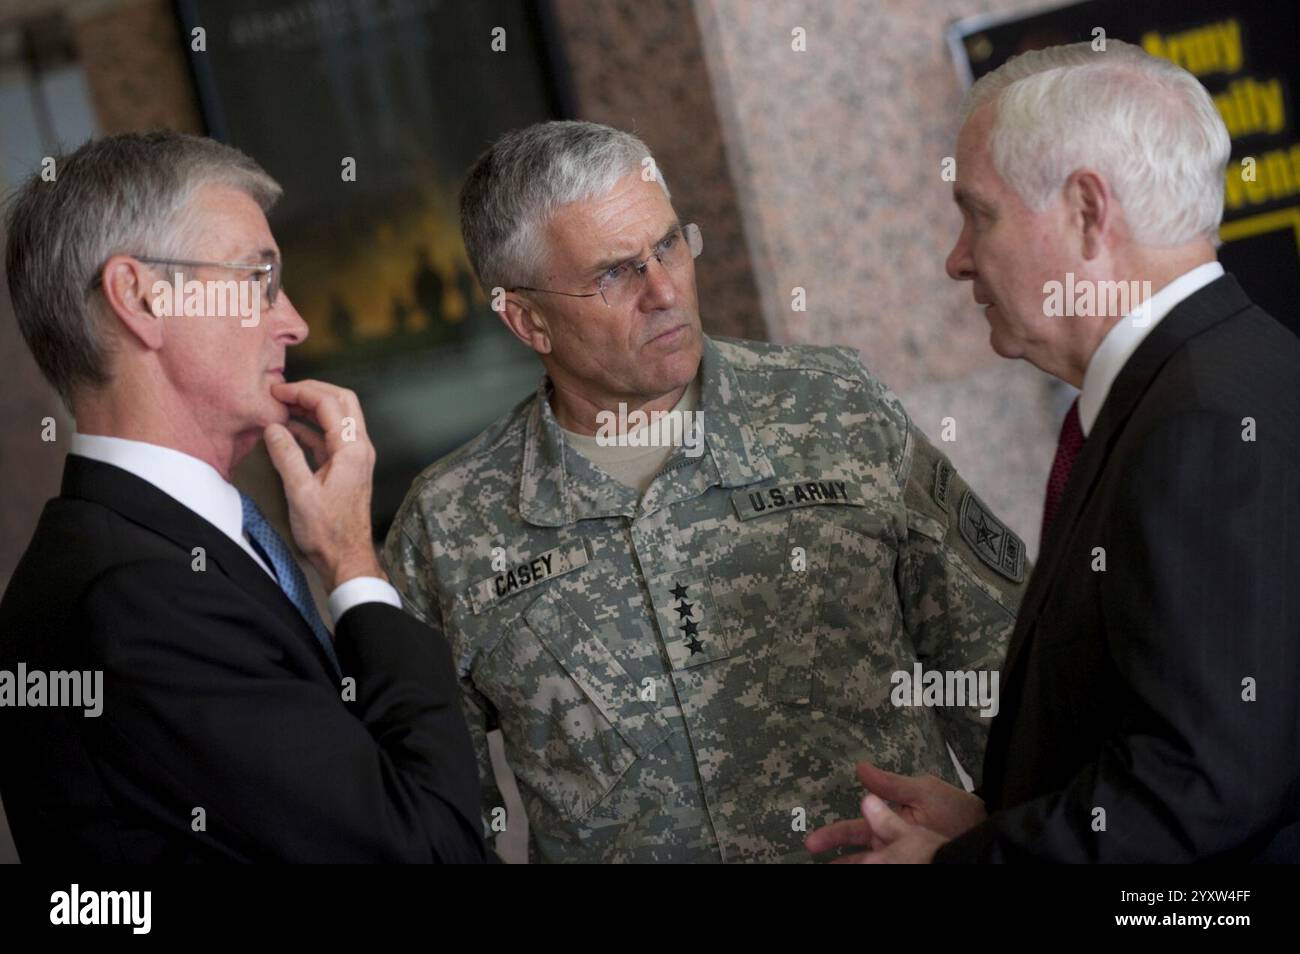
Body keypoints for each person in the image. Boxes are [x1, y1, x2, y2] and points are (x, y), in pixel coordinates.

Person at [383, 120, 1026, 863]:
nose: (664, 291)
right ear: (528, 320)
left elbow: (1004, 676)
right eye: (614, 274)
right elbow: (440, 825)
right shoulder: (449, 525)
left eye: (668, 246)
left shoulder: (834, 409)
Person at [807, 39, 1300, 863]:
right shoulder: (1219, 375)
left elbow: (1204, 785)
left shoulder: (1201, 423)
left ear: (1086, 212)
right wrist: (997, 824)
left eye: (980, 214)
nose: (957, 259)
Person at [0, 131, 488, 863]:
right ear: (141, 298)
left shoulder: (160, 550)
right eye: (259, 278)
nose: (295, 321)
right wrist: (354, 565)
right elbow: (425, 848)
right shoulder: (137, 596)